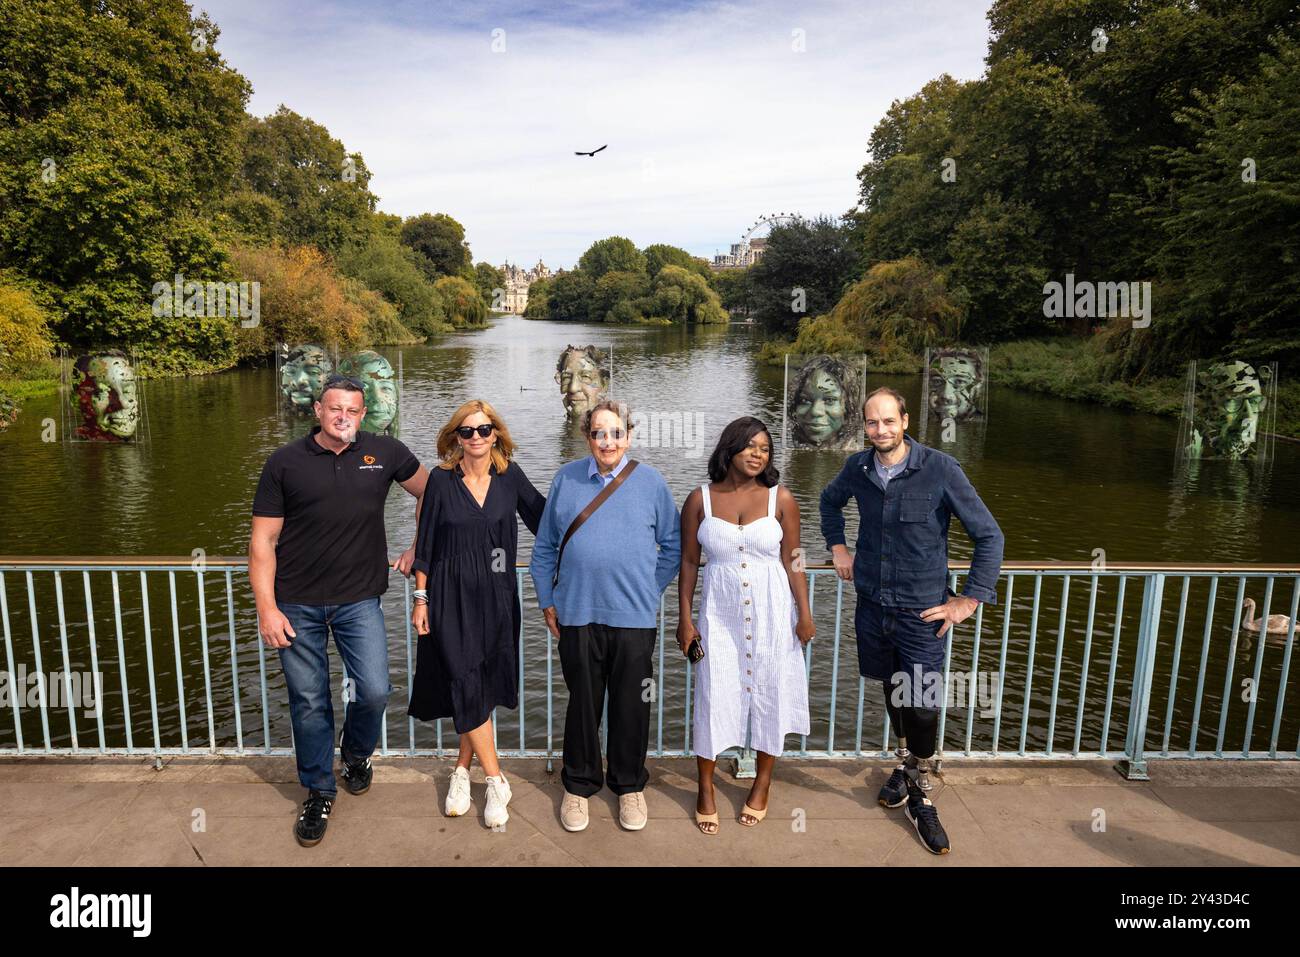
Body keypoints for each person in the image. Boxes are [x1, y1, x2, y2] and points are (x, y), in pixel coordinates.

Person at [820, 387, 1003, 855]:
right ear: (865, 426)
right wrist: (838, 546)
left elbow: (989, 535)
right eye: (871, 423)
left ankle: (922, 793)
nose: (880, 430)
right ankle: (903, 765)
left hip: (923, 614)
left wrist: (969, 601)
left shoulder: (940, 469)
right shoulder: (857, 469)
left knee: (922, 702)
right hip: (873, 607)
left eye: (888, 421)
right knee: (890, 686)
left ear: (905, 421)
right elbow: (828, 503)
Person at [250, 373, 429, 848]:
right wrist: (266, 608)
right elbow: (262, 541)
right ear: (317, 411)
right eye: (334, 409)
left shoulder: (385, 452)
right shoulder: (285, 462)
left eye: (352, 411)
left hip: (358, 600)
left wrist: (417, 548)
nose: (342, 418)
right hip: (296, 603)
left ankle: (355, 757)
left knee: (373, 690)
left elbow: (432, 493)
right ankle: (318, 790)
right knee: (309, 701)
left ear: (363, 414)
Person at [529, 400, 681, 833]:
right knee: (583, 705)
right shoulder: (566, 479)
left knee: (632, 705)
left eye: (616, 433)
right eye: (599, 433)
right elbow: (543, 549)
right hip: (576, 613)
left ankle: (629, 785)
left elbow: (673, 546)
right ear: (588, 438)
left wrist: (648, 589)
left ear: (628, 436)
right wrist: (547, 600)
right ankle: (578, 787)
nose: (607, 441)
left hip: (634, 617)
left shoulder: (650, 483)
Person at [408, 400, 545, 829]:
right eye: (467, 432)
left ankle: (461, 772)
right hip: (450, 598)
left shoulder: (510, 478)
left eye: (484, 430)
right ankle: (496, 779)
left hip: (499, 597)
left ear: (496, 435)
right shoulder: (441, 481)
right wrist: (420, 598)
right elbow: (426, 544)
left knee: (479, 688)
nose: (477, 438)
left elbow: (547, 521)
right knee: (465, 679)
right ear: (455, 439)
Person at [677, 417, 813, 834]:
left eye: (765, 449)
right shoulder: (699, 500)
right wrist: (684, 619)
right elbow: (688, 562)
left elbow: (794, 559)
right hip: (718, 615)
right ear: (730, 449)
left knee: (772, 692)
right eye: (750, 446)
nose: (758, 454)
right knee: (715, 694)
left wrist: (805, 614)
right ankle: (705, 787)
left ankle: (763, 782)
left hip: (774, 613)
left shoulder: (781, 500)